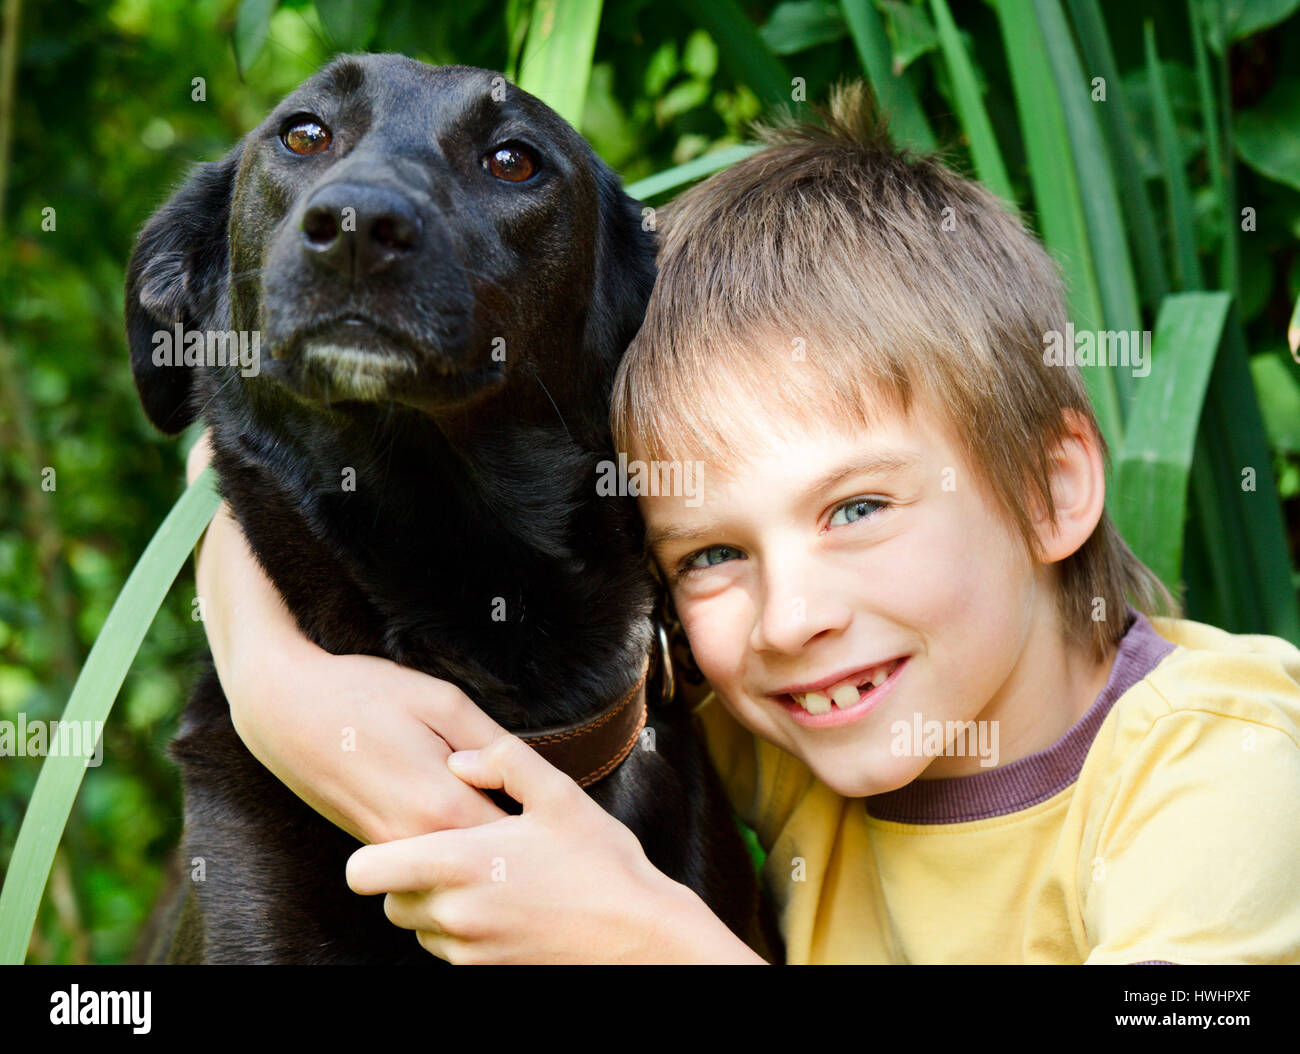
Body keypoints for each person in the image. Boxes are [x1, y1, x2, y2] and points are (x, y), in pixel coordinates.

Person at [184, 84, 1300, 964]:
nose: (792, 615)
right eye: (712, 553)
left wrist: (646, 944)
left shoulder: (1227, 775)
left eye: (857, 508)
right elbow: (235, 458)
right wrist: (280, 686)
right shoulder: (815, 721)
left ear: (1054, 491)